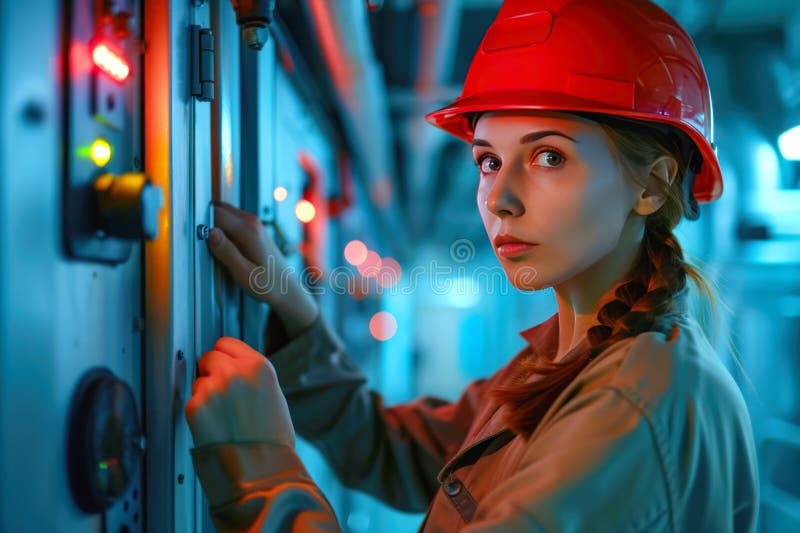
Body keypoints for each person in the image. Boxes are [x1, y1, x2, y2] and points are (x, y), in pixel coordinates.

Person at [185, 0, 760, 531]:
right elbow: (398, 453)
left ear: (652, 186)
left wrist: (258, 470)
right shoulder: (572, 355)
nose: (499, 198)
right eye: (488, 160)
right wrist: (296, 310)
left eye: (548, 156)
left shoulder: (630, 406)